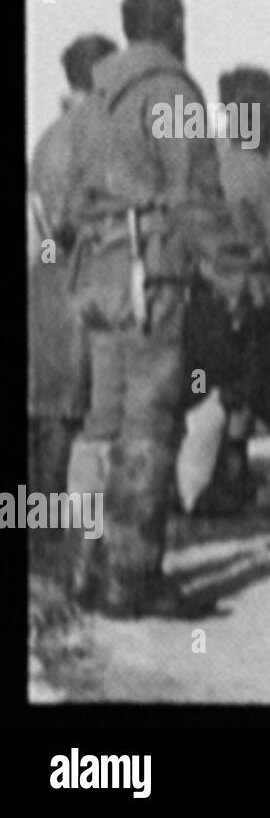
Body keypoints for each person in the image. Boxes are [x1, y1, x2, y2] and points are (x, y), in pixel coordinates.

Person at [60, 0, 255, 618]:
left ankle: (82, 570)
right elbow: (198, 198)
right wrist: (236, 278)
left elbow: (66, 206)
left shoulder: (92, 103)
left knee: (101, 425)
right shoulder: (172, 93)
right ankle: (133, 581)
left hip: (98, 279)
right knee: (149, 426)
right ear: (172, 26)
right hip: (151, 281)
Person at [187, 66, 270, 514]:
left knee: (220, 386)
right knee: (241, 385)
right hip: (250, 291)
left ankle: (215, 479)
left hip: (215, 291)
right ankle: (226, 476)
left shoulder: (208, 155)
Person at [28, 34, 118, 572]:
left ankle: (42, 539)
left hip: (45, 283)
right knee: (69, 418)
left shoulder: (48, 138)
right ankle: (59, 552)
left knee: (47, 418)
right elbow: (68, 220)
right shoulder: (87, 137)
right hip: (73, 286)